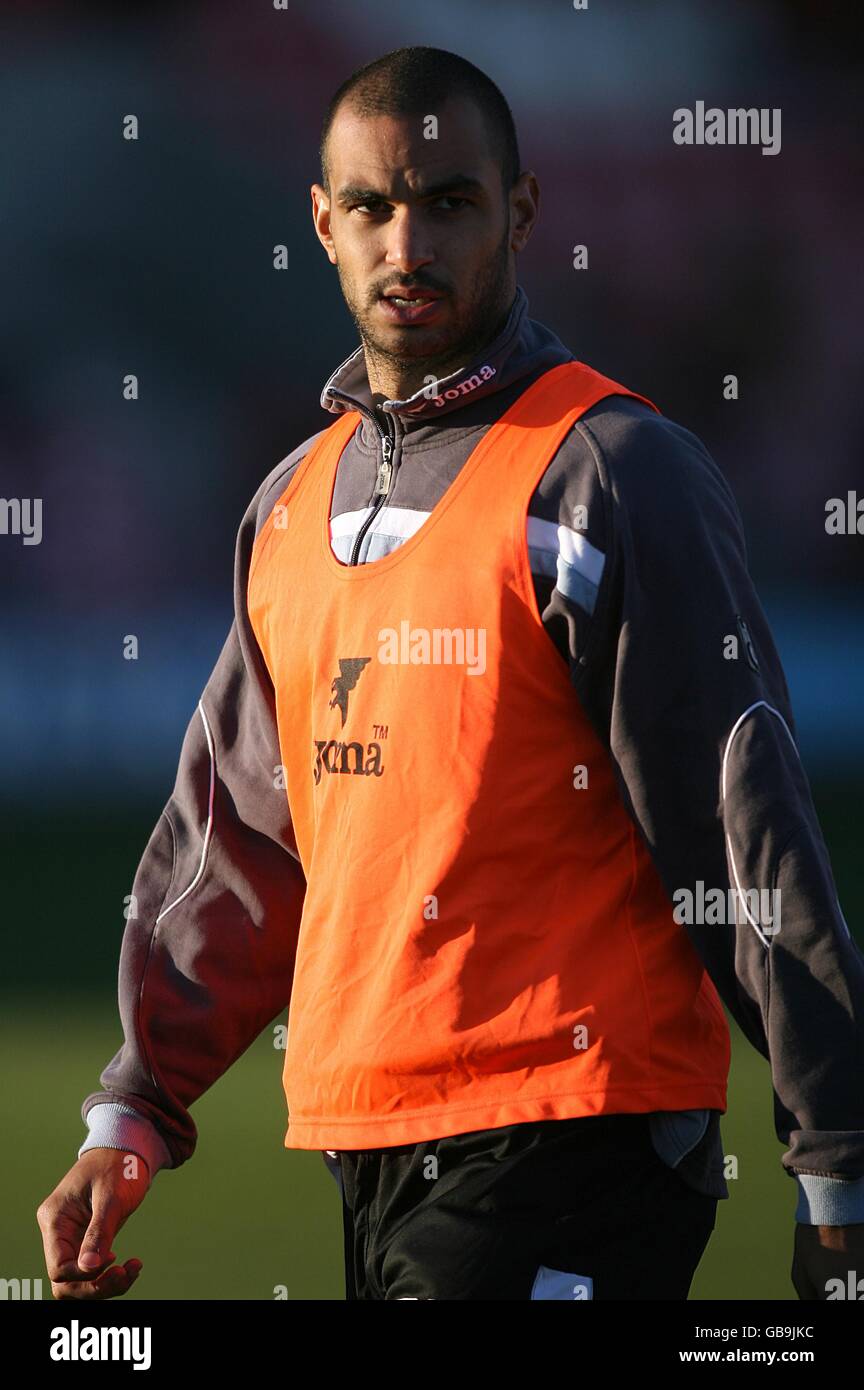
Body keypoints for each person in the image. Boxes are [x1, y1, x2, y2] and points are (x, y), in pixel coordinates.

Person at [37, 46, 864, 1302]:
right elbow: (237, 839)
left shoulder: (614, 473)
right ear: (323, 223)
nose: (407, 241)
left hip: (578, 1128)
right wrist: (131, 1115)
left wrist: (837, 1158)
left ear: (521, 212)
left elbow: (742, 829)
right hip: (373, 1148)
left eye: (450, 201)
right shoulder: (287, 506)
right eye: (371, 206)